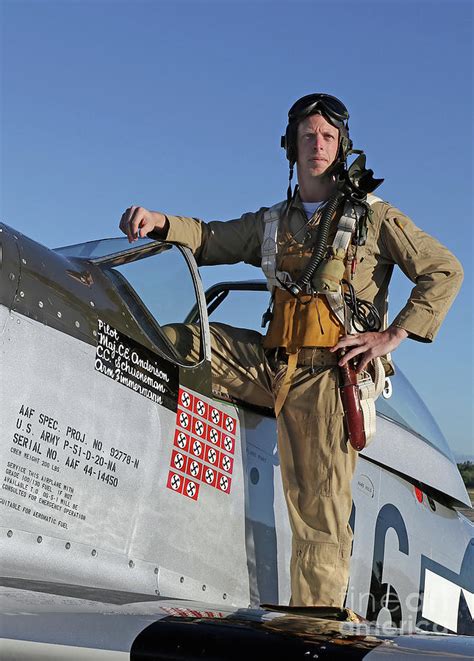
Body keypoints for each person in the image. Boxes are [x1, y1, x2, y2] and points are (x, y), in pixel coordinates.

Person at [119, 93, 463, 610]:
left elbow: (444, 270)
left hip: (329, 378)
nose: (317, 145)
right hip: (272, 362)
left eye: (327, 137)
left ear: (342, 146)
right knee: (176, 342)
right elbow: (211, 239)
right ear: (290, 146)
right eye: (307, 136)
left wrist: (390, 337)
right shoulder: (273, 222)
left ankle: (314, 632)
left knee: (318, 518)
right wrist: (161, 221)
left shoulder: (373, 219)